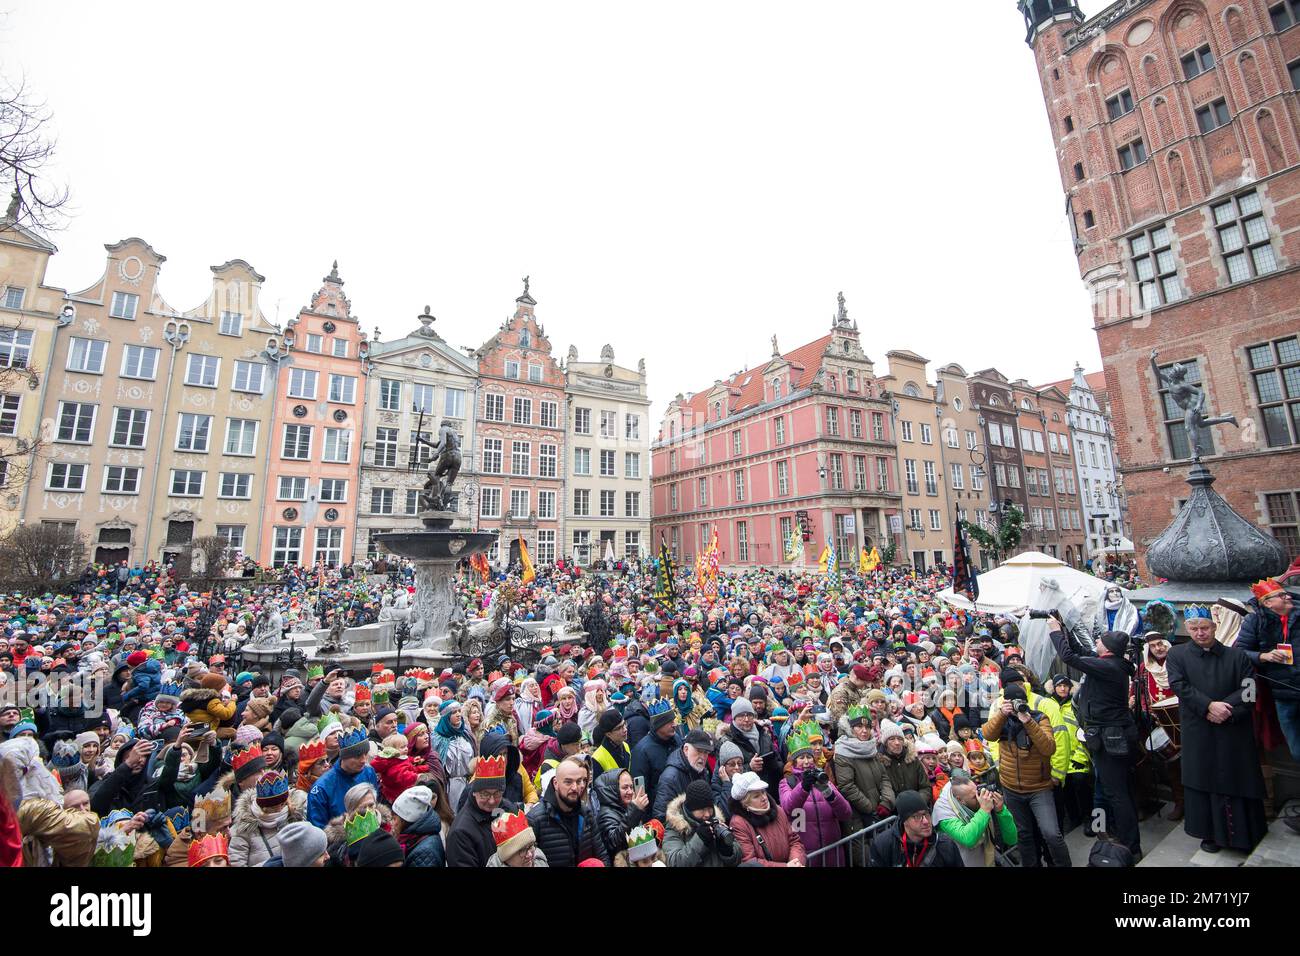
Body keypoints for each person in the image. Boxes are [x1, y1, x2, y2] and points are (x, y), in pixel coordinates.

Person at [1166, 606, 1268, 854]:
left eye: (1204, 628)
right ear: (1187, 630)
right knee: (1206, 781)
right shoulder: (1177, 656)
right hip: (1200, 729)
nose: (1200, 633)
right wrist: (1208, 706)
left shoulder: (1237, 656)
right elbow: (1179, 685)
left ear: (1214, 627)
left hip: (1233, 729)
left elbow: (1250, 690)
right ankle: (1210, 835)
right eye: (1194, 629)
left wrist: (1226, 710)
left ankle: (1245, 836)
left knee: (1237, 778)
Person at [1049, 616, 1141, 860]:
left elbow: (1070, 658)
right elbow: (1081, 651)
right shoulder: (1112, 663)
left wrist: (1055, 632)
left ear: (1108, 649)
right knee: (1114, 790)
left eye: (1100, 640)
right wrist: (1065, 629)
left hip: (1110, 738)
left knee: (1117, 794)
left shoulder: (1109, 667)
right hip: (1107, 736)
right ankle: (1112, 833)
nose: (1096, 641)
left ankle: (1130, 845)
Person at [982, 686, 1069, 867]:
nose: (1016, 705)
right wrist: (1001, 714)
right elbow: (988, 734)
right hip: (1012, 788)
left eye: (1019, 702)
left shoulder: (1039, 717)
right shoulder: (1002, 720)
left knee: (1051, 833)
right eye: (1011, 702)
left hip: (1039, 788)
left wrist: (1028, 722)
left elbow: (1049, 748)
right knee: (1023, 834)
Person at [1237, 579, 1300, 765]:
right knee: (1296, 750)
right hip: (1283, 694)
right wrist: (1264, 657)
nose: (1287, 596)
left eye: (1285, 593)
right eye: (1280, 595)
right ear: (1267, 602)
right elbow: (1239, 652)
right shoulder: (1255, 620)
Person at [778, 724, 852, 866]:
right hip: (807, 854)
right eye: (801, 758)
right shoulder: (786, 783)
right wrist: (803, 787)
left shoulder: (824, 780)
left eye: (809, 757)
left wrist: (829, 794)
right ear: (794, 762)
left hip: (832, 852)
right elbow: (789, 808)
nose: (806, 762)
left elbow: (846, 813)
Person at [833, 703, 895, 865]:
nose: (864, 731)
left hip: (877, 813)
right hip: (856, 817)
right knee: (864, 859)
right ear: (850, 728)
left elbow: (884, 778)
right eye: (859, 726)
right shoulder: (843, 752)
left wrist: (886, 802)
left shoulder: (871, 749)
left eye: (867, 727)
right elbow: (847, 786)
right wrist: (870, 808)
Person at [526, 755, 609, 867]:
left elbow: (602, 855)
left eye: (579, 781)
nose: (575, 787)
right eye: (568, 782)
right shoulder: (536, 819)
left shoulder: (586, 813)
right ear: (555, 783)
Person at [932, 771, 1017, 867]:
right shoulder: (943, 814)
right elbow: (968, 839)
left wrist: (1001, 811)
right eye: (974, 797)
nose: (979, 798)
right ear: (960, 800)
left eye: (977, 791)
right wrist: (984, 810)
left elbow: (1012, 839)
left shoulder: (979, 801)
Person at [868, 789, 964, 867]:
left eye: (926, 814)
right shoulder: (884, 844)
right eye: (917, 817)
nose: (926, 821)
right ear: (905, 821)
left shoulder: (945, 845)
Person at [446, 754, 511, 867]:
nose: (491, 801)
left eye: (497, 794)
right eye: (485, 794)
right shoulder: (460, 833)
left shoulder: (507, 808)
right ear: (474, 792)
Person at [728, 771, 805, 867]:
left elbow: (794, 841)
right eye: (756, 796)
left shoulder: (778, 811)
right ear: (745, 803)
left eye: (763, 792)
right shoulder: (739, 823)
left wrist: (796, 861)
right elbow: (750, 861)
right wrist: (786, 866)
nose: (764, 797)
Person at [306, 729, 379, 828]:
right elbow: (317, 828)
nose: (363, 760)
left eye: (365, 754)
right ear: (344, 757)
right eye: (357, 756)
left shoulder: (369, 772)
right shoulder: (321, 788)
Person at [663, 778, 741, 867]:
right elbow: (674, 863)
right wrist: (700, 840)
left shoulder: (716, 820)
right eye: (702, 810)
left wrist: (727, 850)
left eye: (709, 808)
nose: (707, 814)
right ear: (690, 810)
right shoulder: (675, 826)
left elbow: (738, 857)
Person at [651, 728, 713, 821]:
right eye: (699, 751)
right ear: (686, 749)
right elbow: (661, 816)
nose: (703, 757)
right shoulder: (670, 778)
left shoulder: (702, 771)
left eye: (706, 752)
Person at [592, 768, 649, 860]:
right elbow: (615, 843)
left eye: (631, 787)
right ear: (613, 790)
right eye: (625, 787)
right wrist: (634, 811)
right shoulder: (605, 814)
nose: (630, 791)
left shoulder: (626, 807)